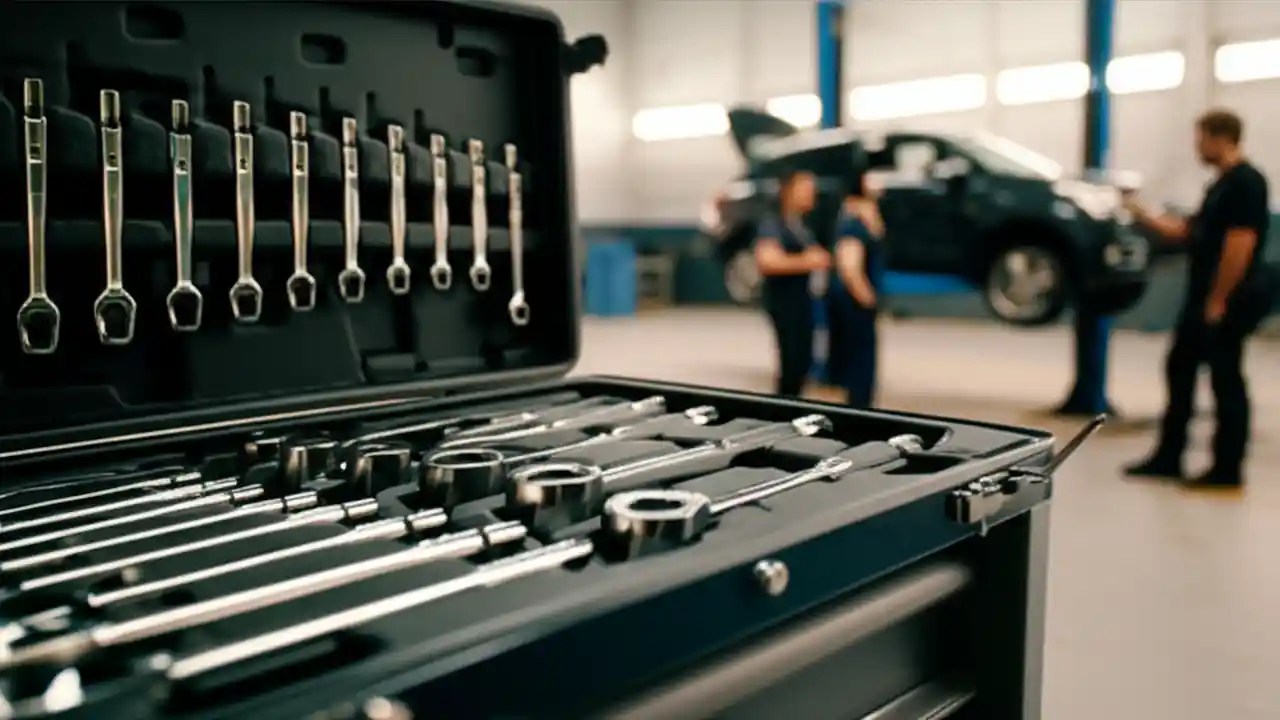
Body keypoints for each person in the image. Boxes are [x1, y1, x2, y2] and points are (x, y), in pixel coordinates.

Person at [1124, 109, 1274, 489]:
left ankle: (1227, 468)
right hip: (1205, 298)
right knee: (1181, 369)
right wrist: (1140, 212)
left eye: (1200, 139)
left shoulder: (1247, 183)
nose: (1197, 147)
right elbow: (1184, 233)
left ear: (1220, 137)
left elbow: (1240, 245)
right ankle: (1169, 456)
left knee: (1225, 379)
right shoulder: (1220, 185)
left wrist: (1219, 299)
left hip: (1225, 299)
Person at [753, 170, 830, 396]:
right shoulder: (773, 223)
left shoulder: (799, 226)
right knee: (792, 361)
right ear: (788, 191)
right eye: (805, 189)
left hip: (802, 302)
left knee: (803, 362)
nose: (811, 195)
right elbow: (767, 261)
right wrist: (808, 261)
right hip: (785, 303)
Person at [826, 184, 885, 408]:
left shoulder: (862, 224)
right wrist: (868, 299)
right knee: (859, 364)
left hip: (856, 304)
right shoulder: (853, 225)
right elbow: (849, 266)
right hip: (854, 306)